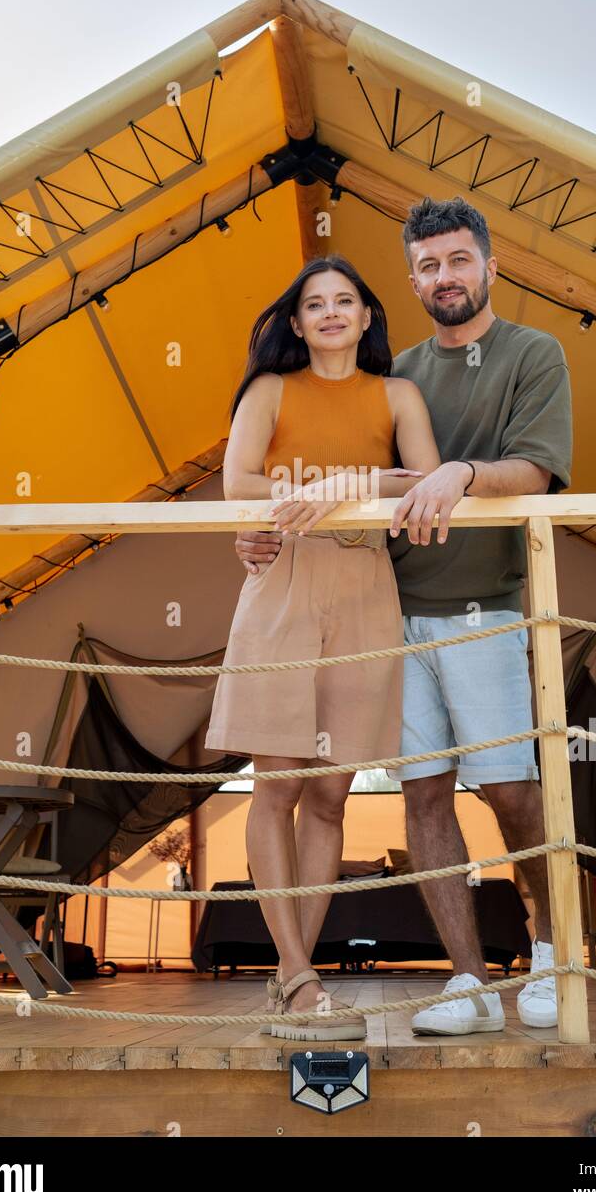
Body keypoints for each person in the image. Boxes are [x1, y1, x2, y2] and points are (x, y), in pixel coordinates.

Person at [235, 196, 573, 1035]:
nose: (445, 277)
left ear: (489, 265)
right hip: (390, 612)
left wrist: (457, 473)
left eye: (459, 260)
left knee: (509, 788)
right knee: (421, 795)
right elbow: (305, 482)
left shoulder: (536, 354)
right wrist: (260, 530)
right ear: (412, 280)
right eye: (428, 265)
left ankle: (552, 953)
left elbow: (533, 472)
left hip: (483, 606)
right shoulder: (402, 372)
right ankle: (464, 980)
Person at [205, 254, 440, 1041]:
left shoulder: (397, 393)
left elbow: (426, 481)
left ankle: (291, 972)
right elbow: (237, 483)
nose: (332, 312)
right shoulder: (270, 390)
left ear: (369, 316)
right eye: (315, 304)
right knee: (276, 782)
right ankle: (300, 974)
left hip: (368, 587)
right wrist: (297, 498)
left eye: (346, 300)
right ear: (297, 322)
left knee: (332, 795)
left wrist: (342, 487)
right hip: (282, 578)